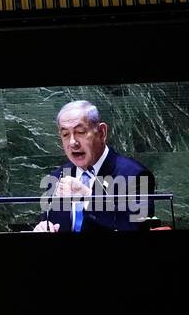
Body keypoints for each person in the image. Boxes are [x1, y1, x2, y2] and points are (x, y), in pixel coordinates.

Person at [33, 100, 154, 234]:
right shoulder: (58, 176)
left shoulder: (135, 175)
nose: (73, 142)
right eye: (65, 134)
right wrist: (43, 226)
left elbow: (136, 227)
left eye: (80, 132)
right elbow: (49, 220)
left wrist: (88, 197)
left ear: (102, 132)